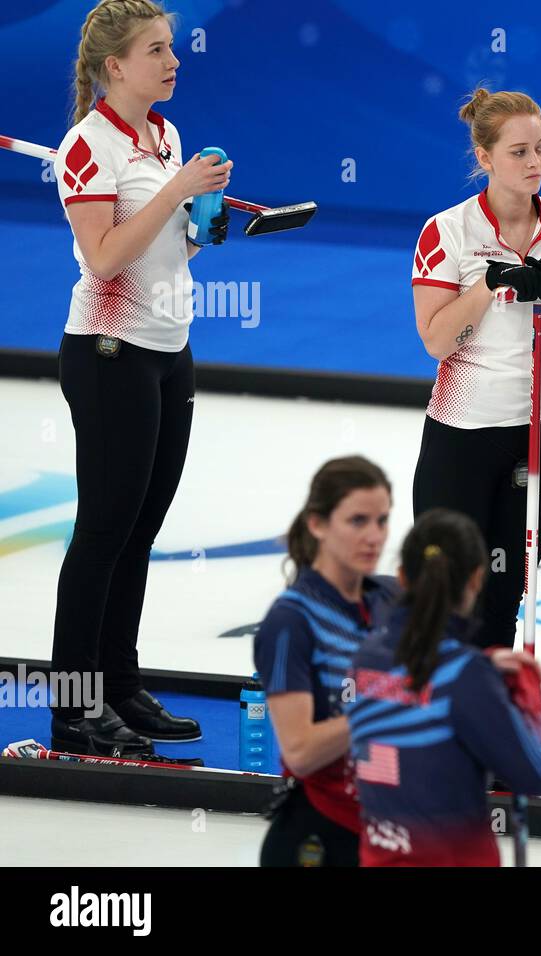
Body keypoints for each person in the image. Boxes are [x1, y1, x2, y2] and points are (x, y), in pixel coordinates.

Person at [49, 0, 233, 756]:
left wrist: (202, 228)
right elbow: (104, 257)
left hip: (168, 345)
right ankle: (72, 705)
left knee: (142, 527)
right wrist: (174, 191)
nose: (174, 59)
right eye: (156, 49)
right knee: (102, 529)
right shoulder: (87, 147)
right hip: (107, 354)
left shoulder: (165, 136)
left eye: (172, 46)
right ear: (114, 66)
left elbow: (165, 250)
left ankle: (118, 686)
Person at [410, 87, 541, 651]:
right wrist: (490, 285)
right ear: (485, 157)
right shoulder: (446, 231)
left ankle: (489, 722)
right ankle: (435, 723)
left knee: (504, 597)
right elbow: (435, 339)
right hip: (463, 434)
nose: (535, 163)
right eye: (519, 152)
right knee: (447, 597)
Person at [347, 508, 541, 866]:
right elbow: (533, 775)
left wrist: (482, 667)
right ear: (475, 579)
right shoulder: (464, 675)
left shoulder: (365, 657)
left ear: (401, 577)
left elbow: (416, 688)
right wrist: (530, 701)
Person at [254, 457, 398, 867]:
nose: (374, 537)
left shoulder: (391, 600)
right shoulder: (290, 623)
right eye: (357, 521)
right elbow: (299, 751)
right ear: (318, 524)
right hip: (319, 837)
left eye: (382, 521)